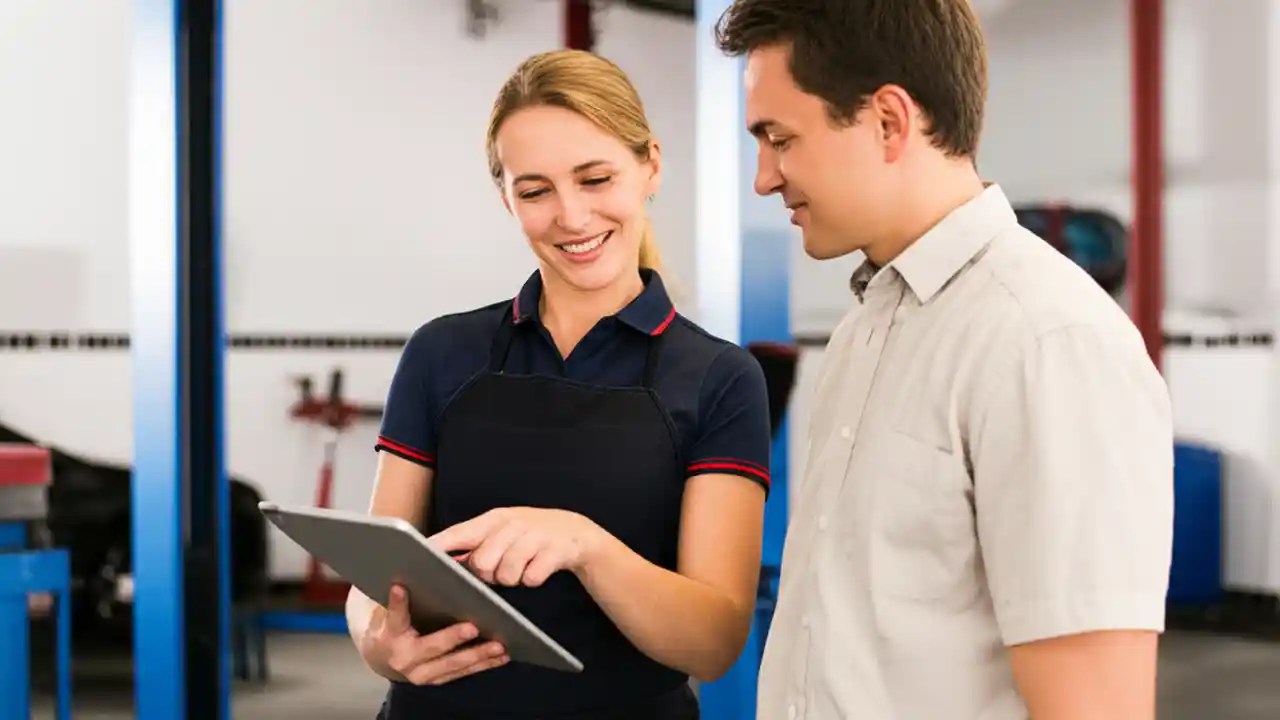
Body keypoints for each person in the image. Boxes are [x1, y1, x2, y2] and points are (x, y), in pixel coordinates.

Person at [713, 1, 1175, 719]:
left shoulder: (1045, 343)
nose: (764, 179)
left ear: (889, 122)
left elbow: (1095, 707)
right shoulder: (865, 329)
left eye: (780, 139)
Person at [344, 48, 773, 719]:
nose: (571, 217)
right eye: (535, 191)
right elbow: (375, 579)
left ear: (650, 165)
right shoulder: (443, 353)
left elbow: (714, 641)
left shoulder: (719, 379)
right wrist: (380, 642)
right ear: (506, 197)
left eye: (595, 178)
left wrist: (585, 545)